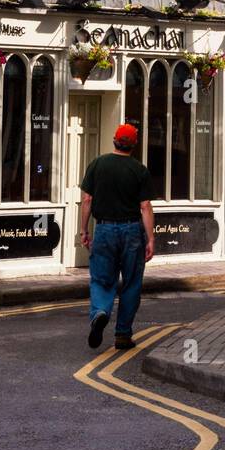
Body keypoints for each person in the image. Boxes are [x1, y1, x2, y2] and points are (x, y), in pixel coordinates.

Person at [80, 123, 155, 350]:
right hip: (132, 231)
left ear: (114, 139)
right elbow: (145, 206)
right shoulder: (140, 170)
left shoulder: (97, 164)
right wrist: (151, 239)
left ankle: (100, 311)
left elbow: (87, 200)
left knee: (102, 279)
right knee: (131, 283)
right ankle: (122, 335)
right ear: (134, 144)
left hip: (104, 229)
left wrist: (84, 230)